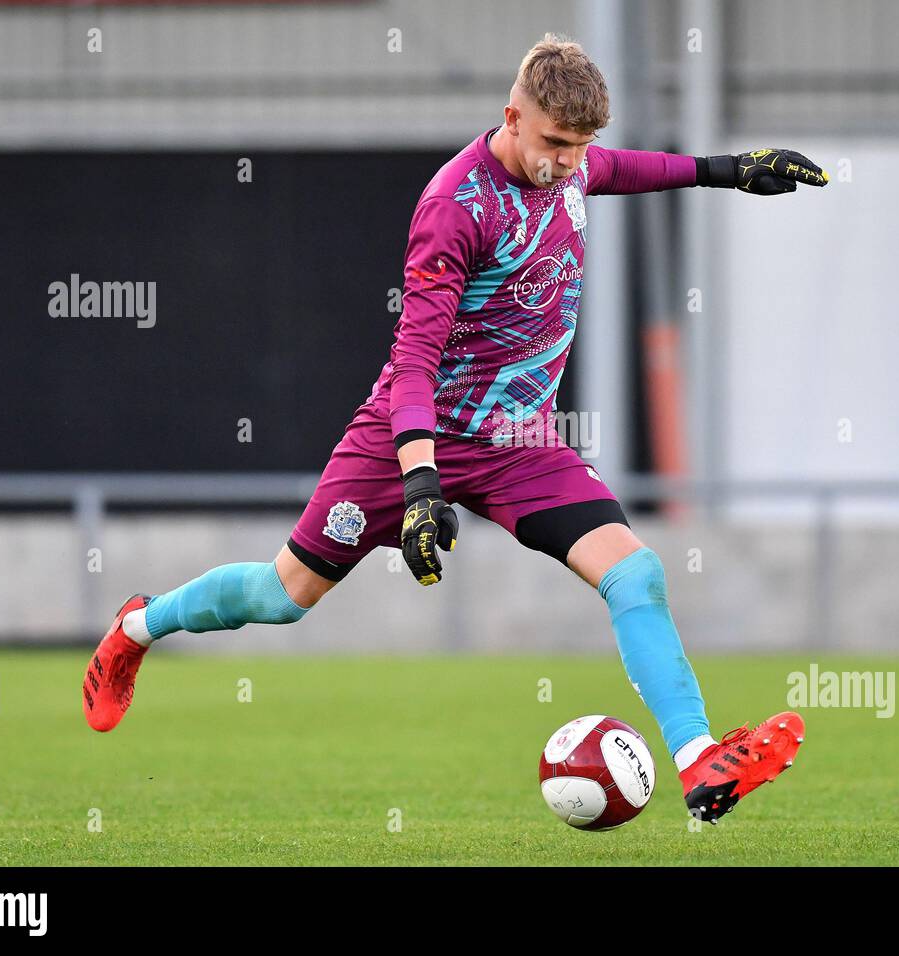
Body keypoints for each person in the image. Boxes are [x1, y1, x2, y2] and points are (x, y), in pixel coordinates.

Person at [82, 33, 827, 823]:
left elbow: (629, 167)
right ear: (511, 116)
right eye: (554, 144)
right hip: (409, 438)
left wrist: (729, 170)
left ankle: (698, 764)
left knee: (635, 574)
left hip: (519, 447)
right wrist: (420, 482)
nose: (569, 162)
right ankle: (138, 625)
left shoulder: (571, 167)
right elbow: (413, 359)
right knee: (281, 595)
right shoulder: (454, 207)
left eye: (581, 146)